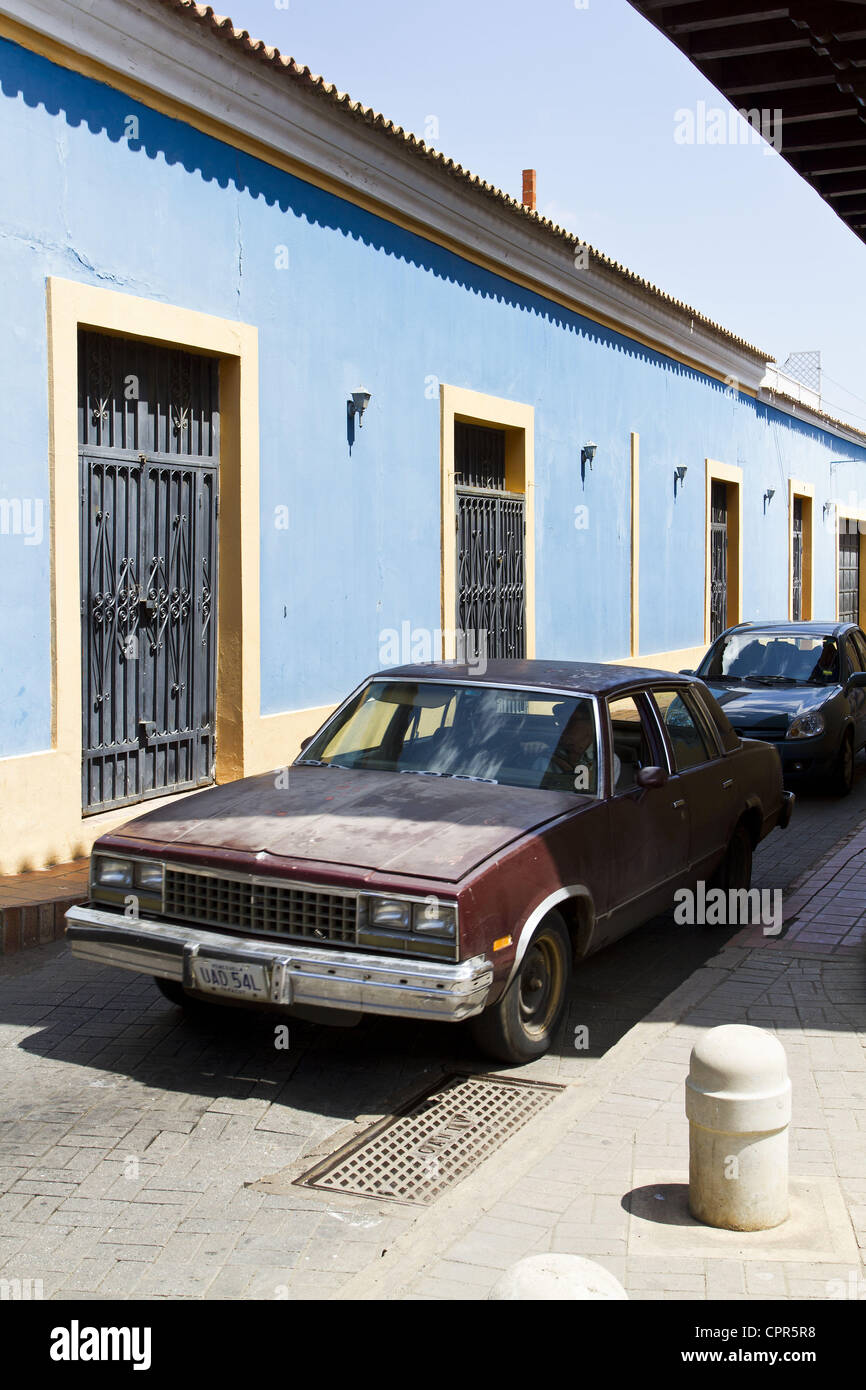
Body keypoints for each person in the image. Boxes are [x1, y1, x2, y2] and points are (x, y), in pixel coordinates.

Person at [545, 704, 619, 793]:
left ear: (590, 725)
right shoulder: (548, 756)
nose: (562, 728)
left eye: (570, 722)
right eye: (560, 722)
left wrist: (570, 770)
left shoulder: (607, 760)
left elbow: (597, 799)